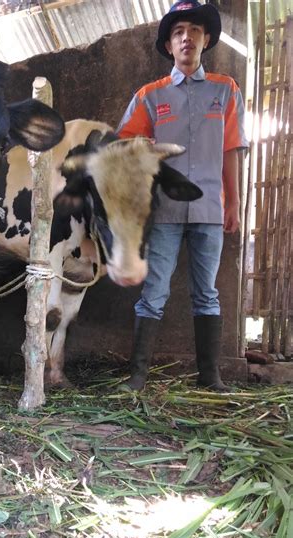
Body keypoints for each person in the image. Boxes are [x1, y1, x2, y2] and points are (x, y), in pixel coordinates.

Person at [116, 0, 248, 392]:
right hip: (165, 211)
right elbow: (123, 146)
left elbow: (231, 149)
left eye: (193, 30)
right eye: (178, 33)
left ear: (205, 39)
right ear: (169, 46)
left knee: (207, 292)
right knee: (154, 289)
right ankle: (137, 376)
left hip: (209, 208)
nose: (186, 37)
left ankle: (210, 376)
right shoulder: (149, 96)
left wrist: (234, 202)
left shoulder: (226, 91)